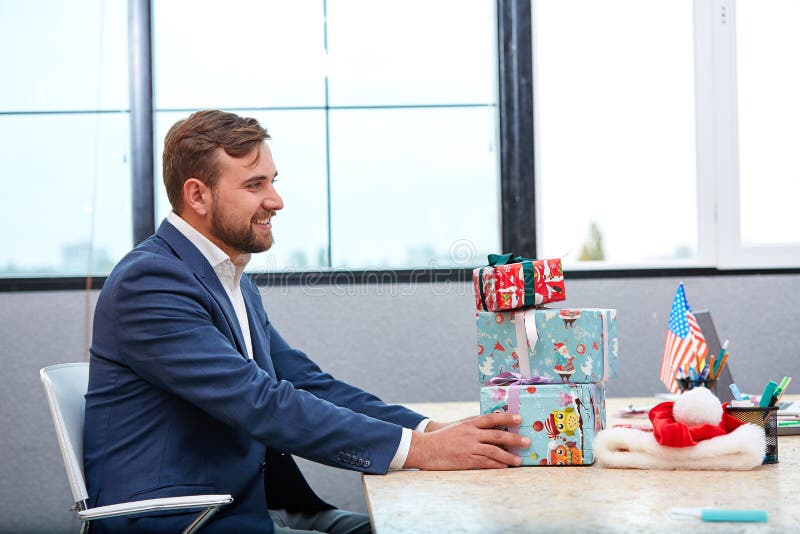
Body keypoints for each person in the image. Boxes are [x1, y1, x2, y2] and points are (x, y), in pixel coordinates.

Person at [83, 110, 527, 533]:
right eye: (255, 185)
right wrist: (421, 451)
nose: (275, 201)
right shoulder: (151, 282)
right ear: (197, 195)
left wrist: (426, 430)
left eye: (272, 181)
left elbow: (306, 383)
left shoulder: (229, 279)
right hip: (188, 520)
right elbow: (260, 402)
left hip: (252, 506)